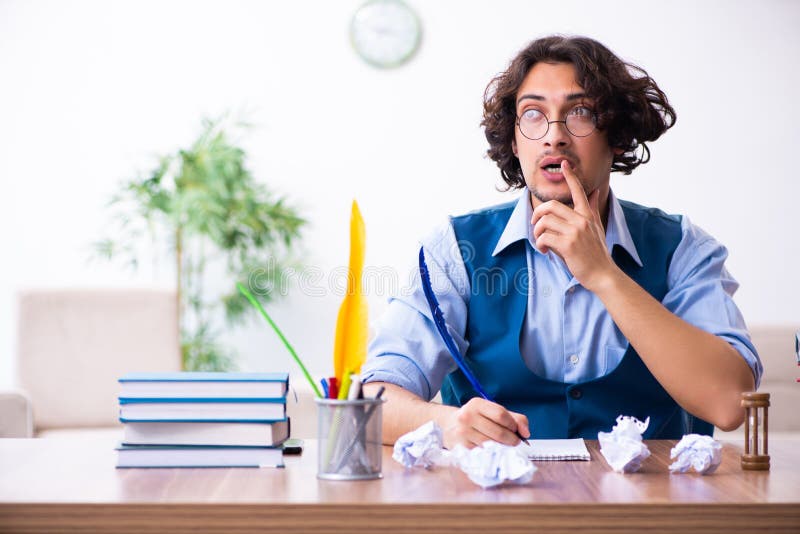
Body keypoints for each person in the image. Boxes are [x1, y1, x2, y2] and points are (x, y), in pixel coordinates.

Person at [360, 35, 761, 449]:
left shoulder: (682, 247)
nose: (554, 136)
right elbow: (373, 399)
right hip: (494, 505)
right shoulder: (454, 250)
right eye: (533, 114)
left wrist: (605, 275)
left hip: (651, 507)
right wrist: (444, 424)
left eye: (581, 112)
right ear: (515, 143)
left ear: (618, 136)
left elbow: (731, 404)